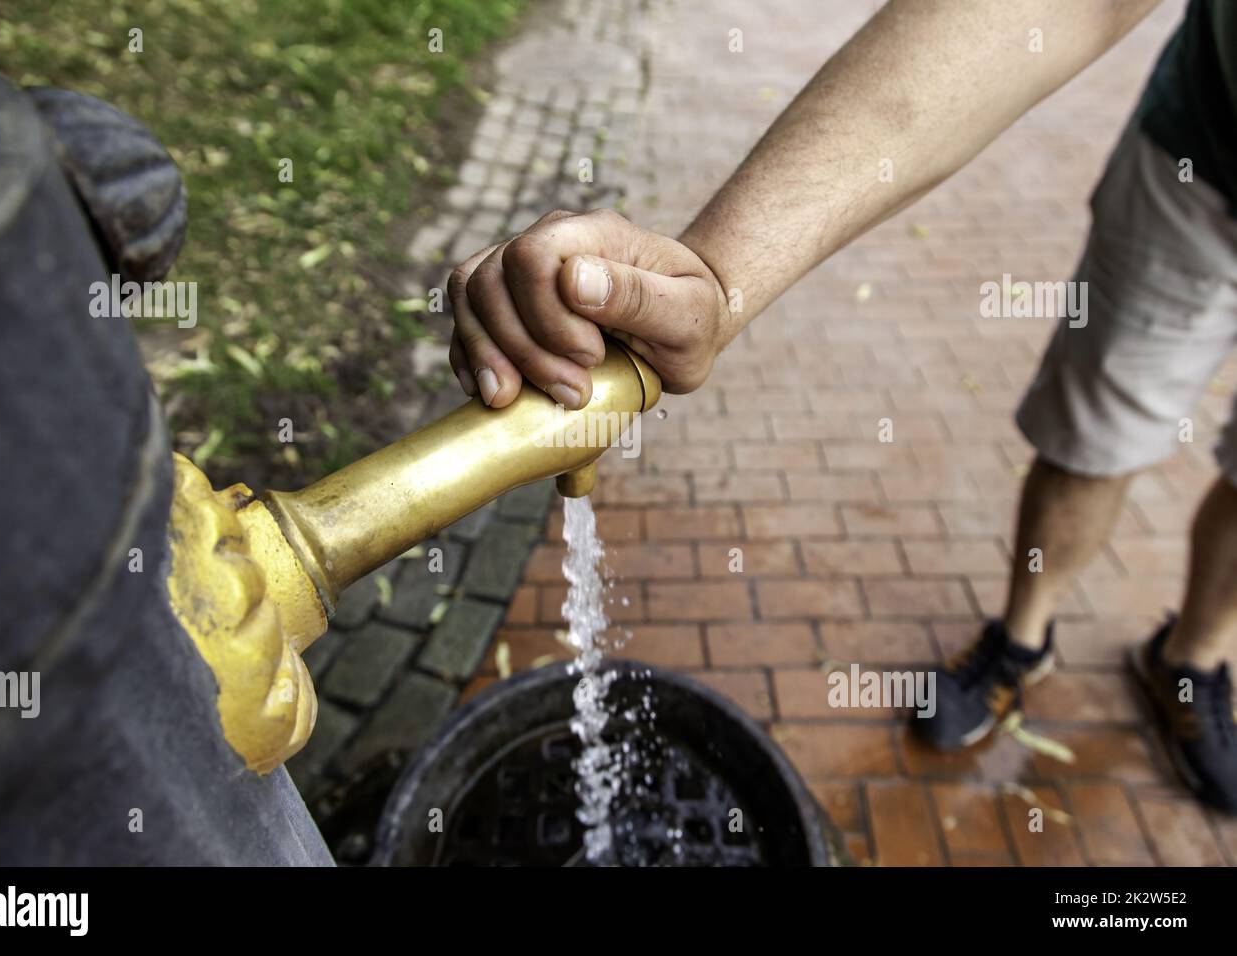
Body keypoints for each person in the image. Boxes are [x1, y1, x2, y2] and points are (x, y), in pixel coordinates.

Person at [444, 0, 1237, 814]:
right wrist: (717, 277)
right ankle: (1022, 641)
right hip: (1203, 163)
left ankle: (1197, 657)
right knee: (1095, 434)